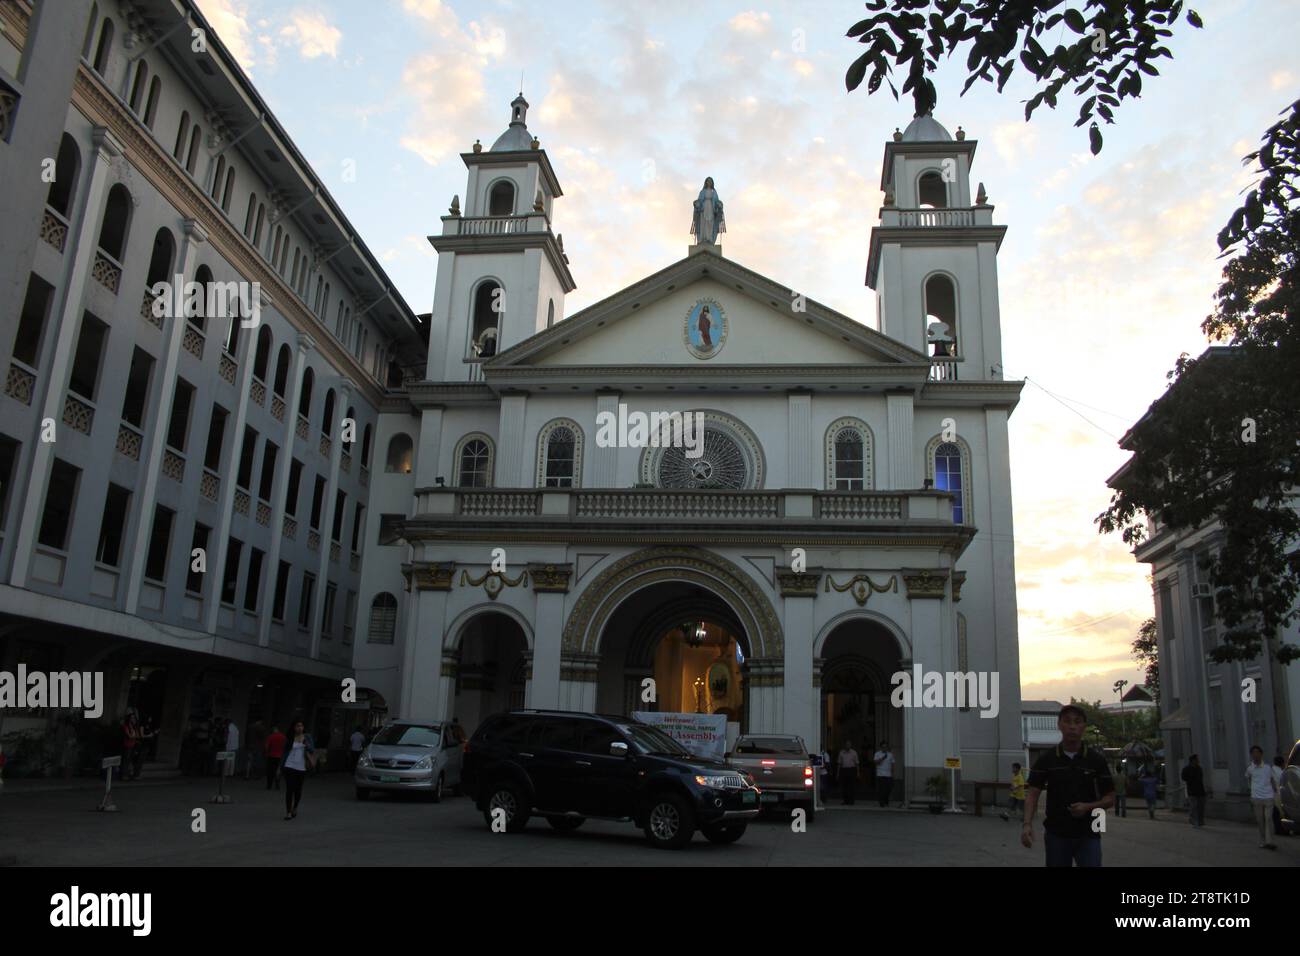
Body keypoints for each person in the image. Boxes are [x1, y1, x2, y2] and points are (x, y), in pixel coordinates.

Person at [1021, 704, 1115, 867]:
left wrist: (1087, 807)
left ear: (1084, 726)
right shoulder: (1047, 759)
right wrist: (1027, 824)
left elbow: (1110, 798)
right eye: (1067, 721)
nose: (1072, 726)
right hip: (1056, 833)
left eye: (1077, 722)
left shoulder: (1096, 760)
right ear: (1059, 725)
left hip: (1090, 831)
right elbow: (1033, 793)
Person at [279, 720, 315, 820]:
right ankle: (288, 812)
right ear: (293, 727)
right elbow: (284, 752)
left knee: (298, 790)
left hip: (301, 767)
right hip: (289, 765)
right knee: (289, 789)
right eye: (297, 726)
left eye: (301, 726)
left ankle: (295, 807)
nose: (299, 728)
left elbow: (312, 750)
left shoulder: (307, 737)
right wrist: (280, 767)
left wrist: (306, 744)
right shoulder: (290, 738)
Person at [1245, 746, 1278, 849]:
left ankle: (1270, 841)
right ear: (1251, 755)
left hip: (1268, 796)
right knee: (1260, 820)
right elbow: (1249, 780)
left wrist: (1275, 790)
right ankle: (1263, 839)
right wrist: (1251, 792)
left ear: (1261, 754)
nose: (1256, 755)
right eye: (1253, 753)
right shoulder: (1250, 768)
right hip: (1256, 797)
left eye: (1257, 753)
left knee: (1268, 818)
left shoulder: (1268, 767)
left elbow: (1273, 779)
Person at [1182, 755, 1207, 828]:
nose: (1198, 760)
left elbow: (1201, 778)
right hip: (1192, 790)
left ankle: (1200, 821)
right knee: (1194, 806)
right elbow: (1183, 777)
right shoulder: (1186, 769)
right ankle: (1194, 821)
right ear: (1193, 760)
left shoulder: (1199, 768)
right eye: (1197, 759)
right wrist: (1190, 780)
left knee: (1201, 806)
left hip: (1200, 790)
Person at [264, 725, 287, 790]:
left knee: (270, 771)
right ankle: (277, 785)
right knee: (278, 770)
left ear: (273, 730)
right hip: (280, 756)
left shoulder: (270, 736)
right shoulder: (283, 737)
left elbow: (266, 746)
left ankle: (269, 785)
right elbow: (285, 746)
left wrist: (266, 753)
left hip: (271, 756)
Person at [838, 740, 860, 805]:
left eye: (849, 744)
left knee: (851, 786)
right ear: (845, 745)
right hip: (844, 770)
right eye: (847, 744)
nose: (848, 745)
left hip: (851, 770)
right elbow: (839, 763)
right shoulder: (841, 753)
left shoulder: (854, 753)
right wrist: (838, 773)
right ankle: (845, 800)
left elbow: (857, 763)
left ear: (851, 745)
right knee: (844, 786)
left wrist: (858, 772)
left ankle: (851, 801)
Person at [873, 741, 894, 808]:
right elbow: (876, 762)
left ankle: (886, 801)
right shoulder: (877, 754)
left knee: (888, 789)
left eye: (885, 747)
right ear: (881, 747)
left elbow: (893, 764)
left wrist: (893, 773)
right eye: (883, 747)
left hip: (888, 775)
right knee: (881, 790)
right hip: (880, 774)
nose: (884, 748)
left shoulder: (890, 754)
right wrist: (883, 758)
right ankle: (881, 803)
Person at [1272, 756, 1287, 837]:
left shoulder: (1271, 770)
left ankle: (1278, 829)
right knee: (1281, 813)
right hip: (1279, 794)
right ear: (1282, 763)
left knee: (1275, 814)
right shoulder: (1282, 772)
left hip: (1270, 794)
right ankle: (1282, 829)